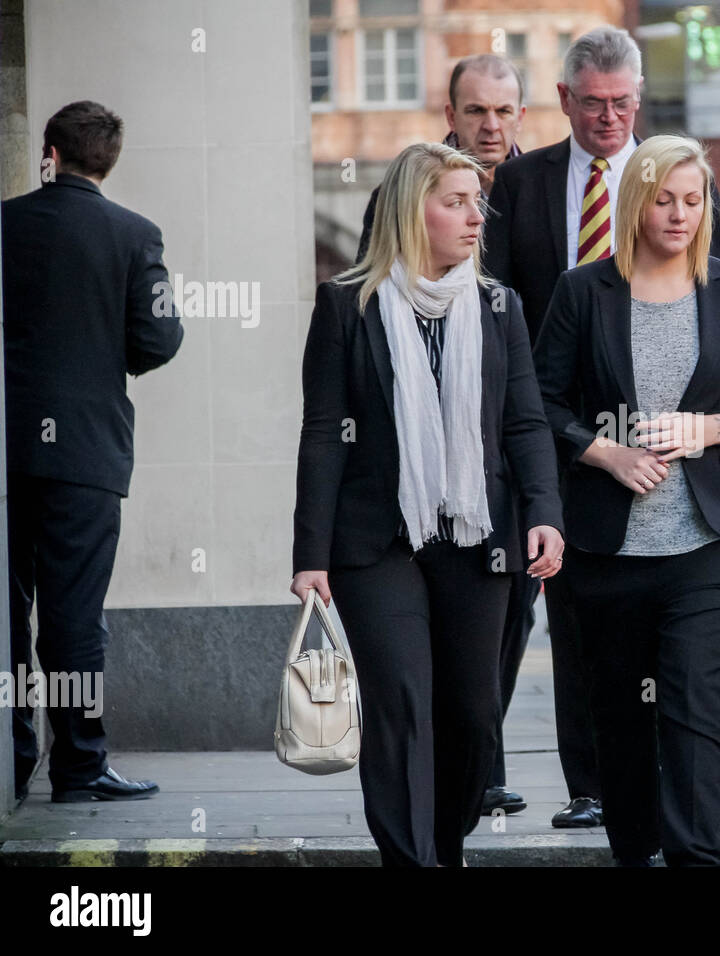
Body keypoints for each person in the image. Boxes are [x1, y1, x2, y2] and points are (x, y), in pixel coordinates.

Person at [291, 142, 564, 867]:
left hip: (479, 539)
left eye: (478, 202)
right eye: (457, 202)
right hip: (377, 542)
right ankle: (410, 860)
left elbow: (525, 423)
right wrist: (310, 557)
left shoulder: (499, 304)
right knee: (403, 706)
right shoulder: (347, 305)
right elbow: (324, 432)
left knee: (474, 716)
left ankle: (444, 847)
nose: (477, 216)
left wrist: (544, 511)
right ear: (416, 211)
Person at [484, 25, 720, 829]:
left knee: (666, 656)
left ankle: (657, 793)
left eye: (624, 103)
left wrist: (709, 428)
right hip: (554, 428)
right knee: (574, 624)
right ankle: (590, 784)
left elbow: (714, 306)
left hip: (668, 454)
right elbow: (502, 314)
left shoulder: (680, 187)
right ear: (563, 101)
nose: (609, 118)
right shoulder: (521, 187)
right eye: (593, 104)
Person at [532, 135, 720, 866]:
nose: (680, 214)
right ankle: (636, 853)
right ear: (639, 202)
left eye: (693, 199)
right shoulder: (584, 291)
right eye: (665, 199)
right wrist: (603, 451)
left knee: (692, 702)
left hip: (711, 543)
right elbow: (539, 403)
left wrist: (713, 427)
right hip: (608, 552)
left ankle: (698, 859)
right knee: (622, 720)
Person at [4, 101, 182, 804]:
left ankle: (10, 758)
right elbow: (160, 339)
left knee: (5, 611)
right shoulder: (135, 235)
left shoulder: (3, 223)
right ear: (107, 161)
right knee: (75, 614)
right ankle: (79, 766)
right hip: (87, 452)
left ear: (49, 151)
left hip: (5, 450)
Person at [355, 53, 526, 261]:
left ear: (520, 118)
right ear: (451, 117)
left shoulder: (543, 190)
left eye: (503, 111)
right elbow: (372, 283)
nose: (491, 126)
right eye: (476, 111)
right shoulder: (401, 193)